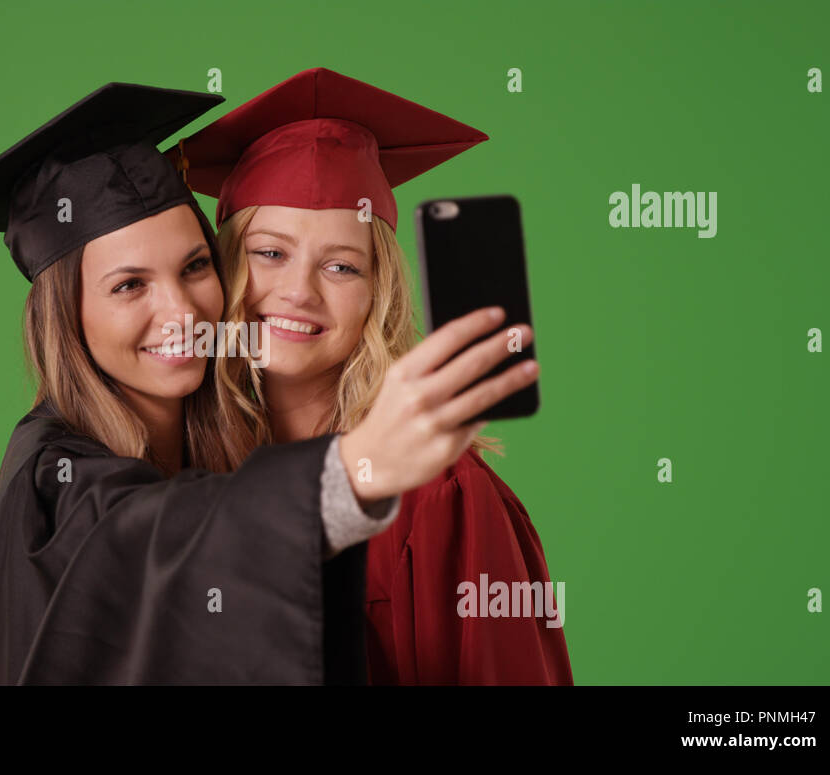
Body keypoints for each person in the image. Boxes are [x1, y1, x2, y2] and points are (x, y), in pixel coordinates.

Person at [170, 67, 573, 684]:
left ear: (377, 297)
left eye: (341, 267)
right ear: (224, 268)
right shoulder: (187, 467)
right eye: (270, 253)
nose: (298, 293)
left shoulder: (438, 491)